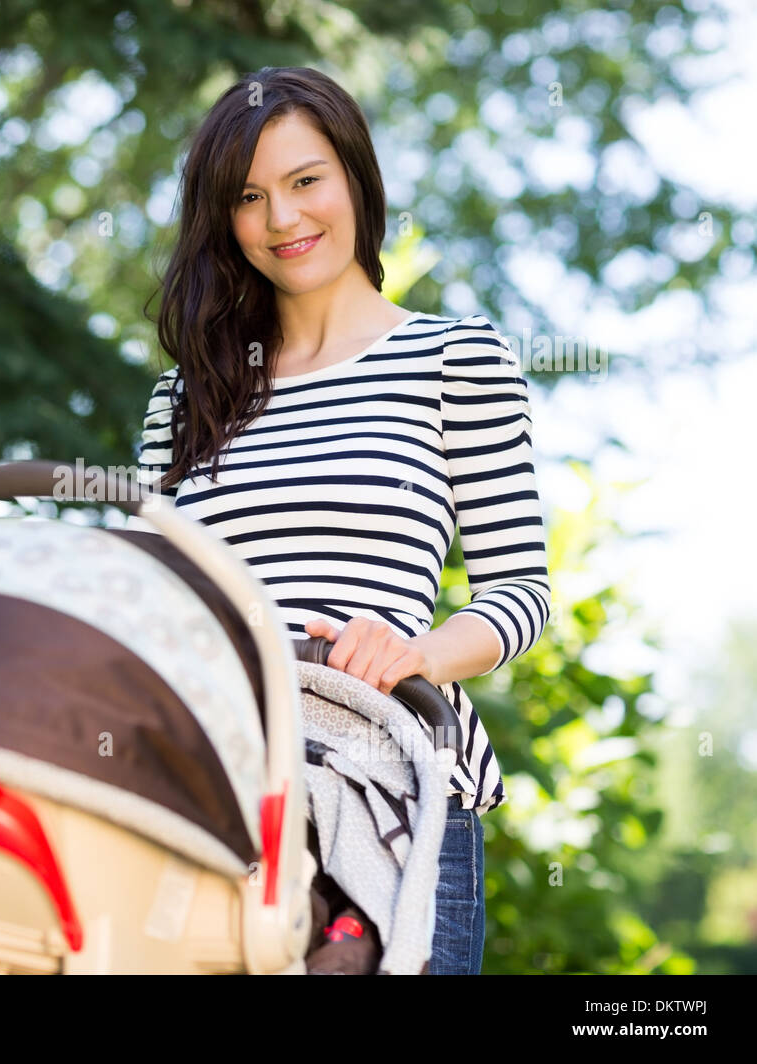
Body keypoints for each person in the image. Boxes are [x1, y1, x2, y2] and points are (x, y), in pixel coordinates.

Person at [130, 66, 551, 974]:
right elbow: (144, 605)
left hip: (394, 784)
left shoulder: (456, 358)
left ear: (357, 177)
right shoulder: (183, 401)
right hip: (205, 797)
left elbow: (522, 594)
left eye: (305, 180)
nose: (283, 221)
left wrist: (418, 653)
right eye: (249, 197)